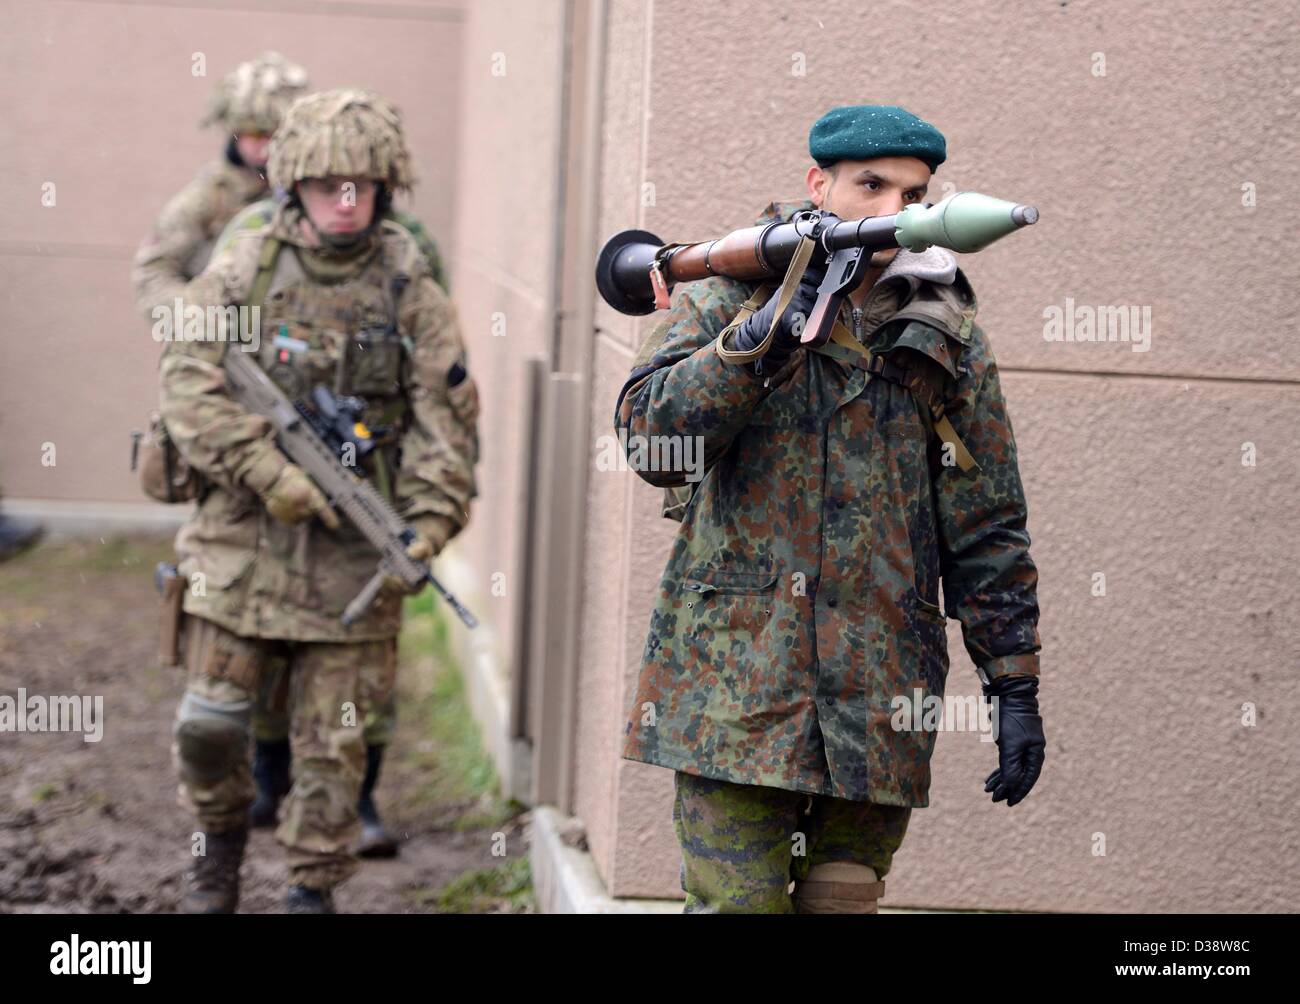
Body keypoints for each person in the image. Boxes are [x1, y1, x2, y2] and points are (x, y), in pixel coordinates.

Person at [616, 104, 1046, 914]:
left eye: (912, 193)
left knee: (843, 906)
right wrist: (758, 342)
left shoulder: (946, 330)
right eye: (869, 185)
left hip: (879, 694)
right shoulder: (730, 294)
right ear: (819, 184)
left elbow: (987, 522)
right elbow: (650, 443)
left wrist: (1012, 685)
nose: (891, 209)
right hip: (735, 689)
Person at [159, 88, 480, 914]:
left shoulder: (409, 286)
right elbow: (190, 389)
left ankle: (311, 893)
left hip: (352, 558)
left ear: (385, 189)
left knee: (333, 751)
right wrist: (273, 476)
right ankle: (216, 863)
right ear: (292, 183)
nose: (346, 202)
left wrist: (430, 525)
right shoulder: (246, 265)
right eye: (328, 184)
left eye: (363, 187)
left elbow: (447, 428)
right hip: (239, 543)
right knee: (209, 728)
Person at [132, 52, 309, 318]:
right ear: (234, 131)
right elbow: (154, 272)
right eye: (255, 133)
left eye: (277, 132)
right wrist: (197, 320)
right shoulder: (209, 196)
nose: (267, 144)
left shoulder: (313, 190)